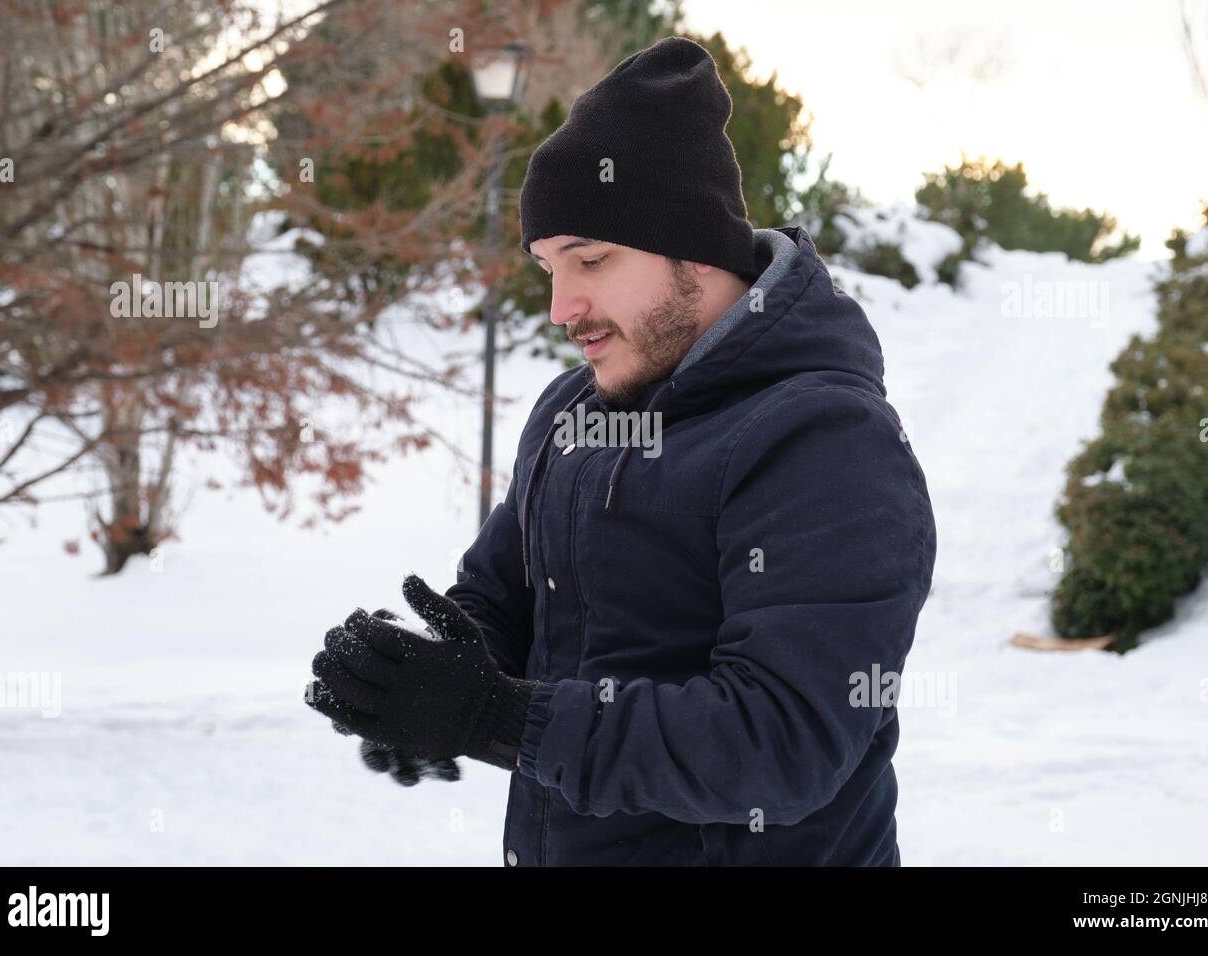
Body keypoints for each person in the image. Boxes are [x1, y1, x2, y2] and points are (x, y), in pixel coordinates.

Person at [306, 34, 937, 866]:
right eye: (547, 268)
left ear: (696, 250)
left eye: (591, 260)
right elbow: (503, 602)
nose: (564, 306)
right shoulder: (574, 412)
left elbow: (781, 742)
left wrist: (497, 716)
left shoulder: (824, 439)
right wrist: (421, 682)